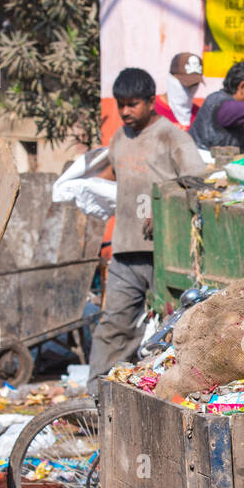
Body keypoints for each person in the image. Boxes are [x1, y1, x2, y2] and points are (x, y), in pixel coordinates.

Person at [88, 67, 206, 379]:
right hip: (126, 250)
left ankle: (160, 392)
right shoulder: (119, 138)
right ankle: (95, 399)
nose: (125, 112)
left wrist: (163, 208)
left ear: (151, 101)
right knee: (114, 326)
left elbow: (197, 181)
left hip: (164, 255)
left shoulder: (171, 136)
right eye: (120, 104)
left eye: (133, 104)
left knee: (167, 328)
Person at [154, 52, 203, 130]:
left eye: (194, 85)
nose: (189, 89)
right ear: (171, 79)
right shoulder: (149, 109)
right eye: (184, 84)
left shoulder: (199, 115)